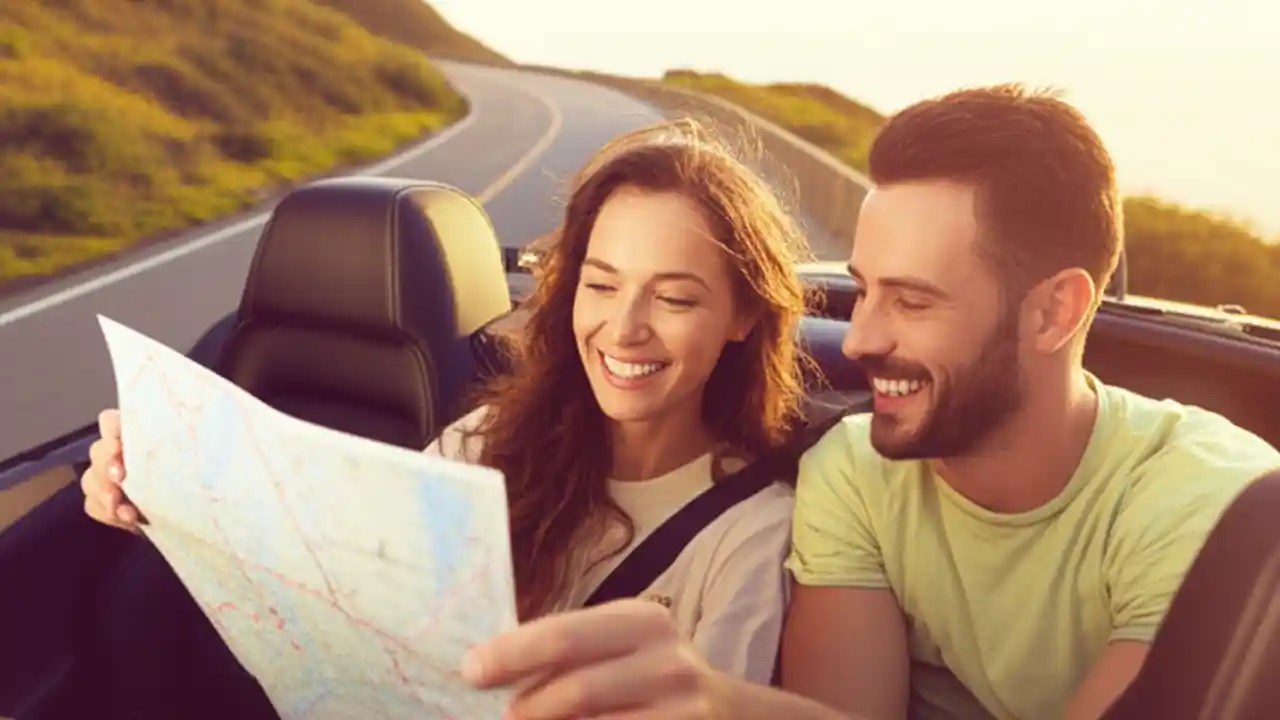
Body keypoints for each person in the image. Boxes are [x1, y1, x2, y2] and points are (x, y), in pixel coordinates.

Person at [451, 83, 1280, 720]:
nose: (857, 342)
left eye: (913, 302)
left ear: (1054, 311)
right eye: (862, 292)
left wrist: (730, 704)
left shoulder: (1215, 507)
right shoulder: (858, 468)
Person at [76, 116, 818, 716]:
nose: (623, 329)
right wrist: (161, 490)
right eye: (601, 284)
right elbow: (323, 577)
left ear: (744, 315)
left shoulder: (753, 533)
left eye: (676, 298)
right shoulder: (483, 443)